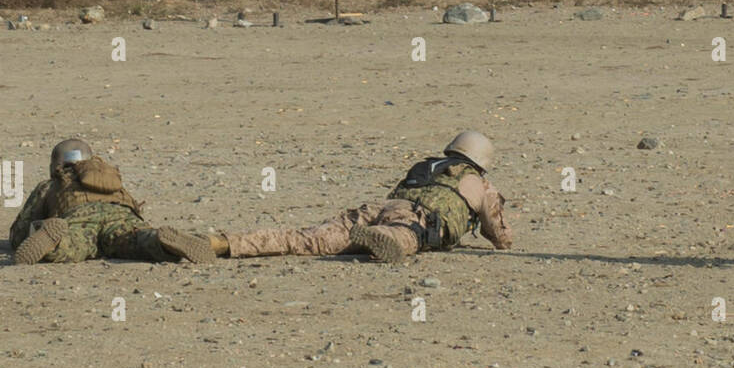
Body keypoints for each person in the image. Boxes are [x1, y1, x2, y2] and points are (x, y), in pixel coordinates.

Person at [213, 130, 512, 264]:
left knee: (307, 239)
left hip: (379, 208)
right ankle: (378, 238)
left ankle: (222, 243)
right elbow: (498, 235)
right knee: (404, 238)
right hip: (414, 220)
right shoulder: (482, 185)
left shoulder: (428, 166)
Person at [10, 139, 215, 265]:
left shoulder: (51, 184)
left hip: (79, 219)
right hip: (119, 215)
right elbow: (133, 209)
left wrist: (30, 234)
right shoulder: (109, 178)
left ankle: (55, 241)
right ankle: (159, 242)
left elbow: (20, 230)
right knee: (134, 240)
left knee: (74, 245)